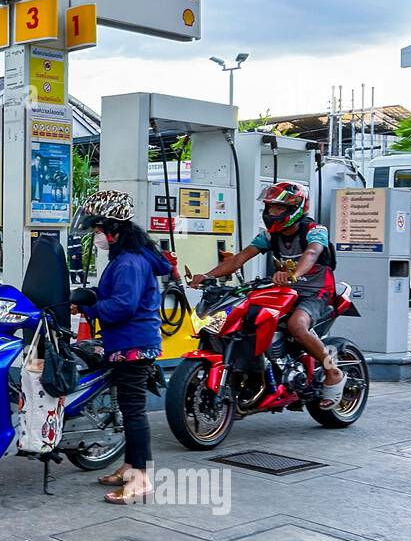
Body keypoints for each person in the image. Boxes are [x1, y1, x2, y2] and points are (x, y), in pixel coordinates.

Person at [190, 181, 344, 407]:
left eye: (279, 208)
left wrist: (294, 274)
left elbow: (312, 253)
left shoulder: (315, 230)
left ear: (295, 209)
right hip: (284, 290)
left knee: (297, 325)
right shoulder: (270, 236)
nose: (272, 213)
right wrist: (206, 276)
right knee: (246, 315)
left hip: (316, 290)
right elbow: (238, 259)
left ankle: (333, 371)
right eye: (270, 208)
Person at [70, 190, 172, 505]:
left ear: (113, 229)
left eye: (98, 229)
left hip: (133, 345)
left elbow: (123, 306)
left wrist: (89, 309)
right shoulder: (127, 257)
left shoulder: (129, 262)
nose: (96, 236)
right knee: (129, 412)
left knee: (134, 413)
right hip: (127, 342)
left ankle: (140, 480)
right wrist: (89, 297)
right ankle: (129, 467)